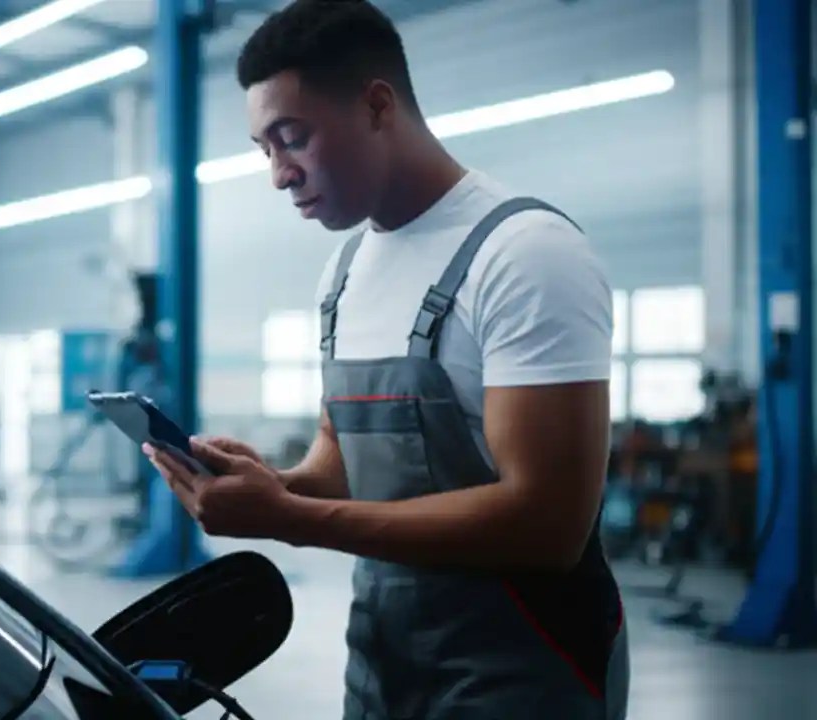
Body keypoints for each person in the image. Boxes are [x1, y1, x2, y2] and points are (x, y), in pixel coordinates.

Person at [142, 1, 630, 718]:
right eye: (263, 149)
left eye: (292, 138)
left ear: (376, 106)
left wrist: (290, 519)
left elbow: (547, 526)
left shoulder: (526, 255)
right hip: (384, 669)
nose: (279, 174)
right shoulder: (343, 275)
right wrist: (271, 485)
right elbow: (342, 464)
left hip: (525, 674)